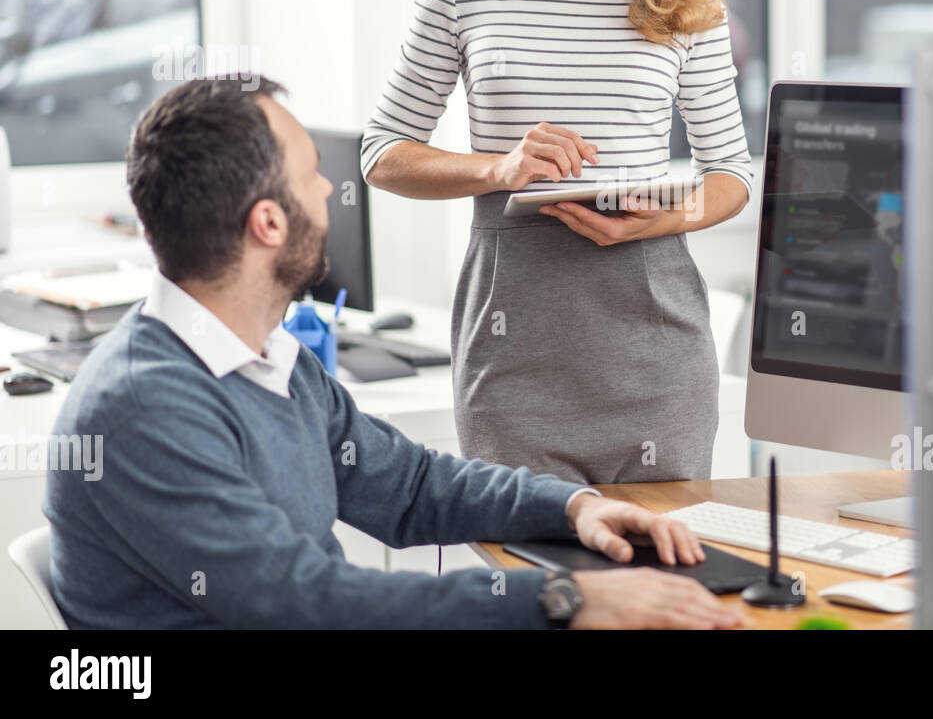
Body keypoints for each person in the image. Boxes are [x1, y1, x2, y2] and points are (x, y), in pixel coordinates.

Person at [43, 77, 743, 630]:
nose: (328, 191)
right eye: (314, 174)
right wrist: (566, 599)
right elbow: (311, 605)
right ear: (268, 222)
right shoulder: (145, 407)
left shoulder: (267, 357)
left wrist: (575, 508)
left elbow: (408, 486)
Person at [362, 0, 752, 485]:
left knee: (656, 590)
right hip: (513, 359)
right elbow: (382, 153)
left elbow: (732, 173)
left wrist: (659, 219)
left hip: (656, 360)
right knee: (526, 590)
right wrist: (499, 169)